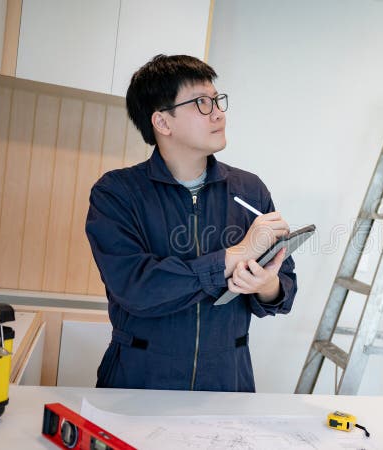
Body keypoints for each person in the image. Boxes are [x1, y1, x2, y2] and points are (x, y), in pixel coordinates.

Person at [85, 54, 297, 392]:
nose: (218, 113)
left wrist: (266, 285)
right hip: (139, 384)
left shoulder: (249, 189)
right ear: (162, 122)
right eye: (201, 103)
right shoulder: (117, 193)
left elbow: (284, 288)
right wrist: (236, 255)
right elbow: (137, 288)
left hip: (227, 383)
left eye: (217, 100)